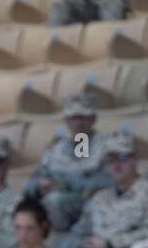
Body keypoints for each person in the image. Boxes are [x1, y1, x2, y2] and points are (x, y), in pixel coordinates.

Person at [62, 131, 148, 248]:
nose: (116, 165)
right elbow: (78, 231)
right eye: (111, 160)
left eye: (122, 158)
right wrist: (83, 244)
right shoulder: (99, 198)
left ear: (135, 161)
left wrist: (110, 243)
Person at [25, 95, 112, 233]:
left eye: (82, 118)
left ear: (93, 119)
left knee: (54, 200)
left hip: (94, 205)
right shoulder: (56, 148)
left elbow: (110, 181)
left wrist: (65, 185)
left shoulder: (106, 146)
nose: (78, 123)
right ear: (66, 121)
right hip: (60, 208)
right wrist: (40, 185)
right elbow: (31, 183)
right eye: (73, 118)